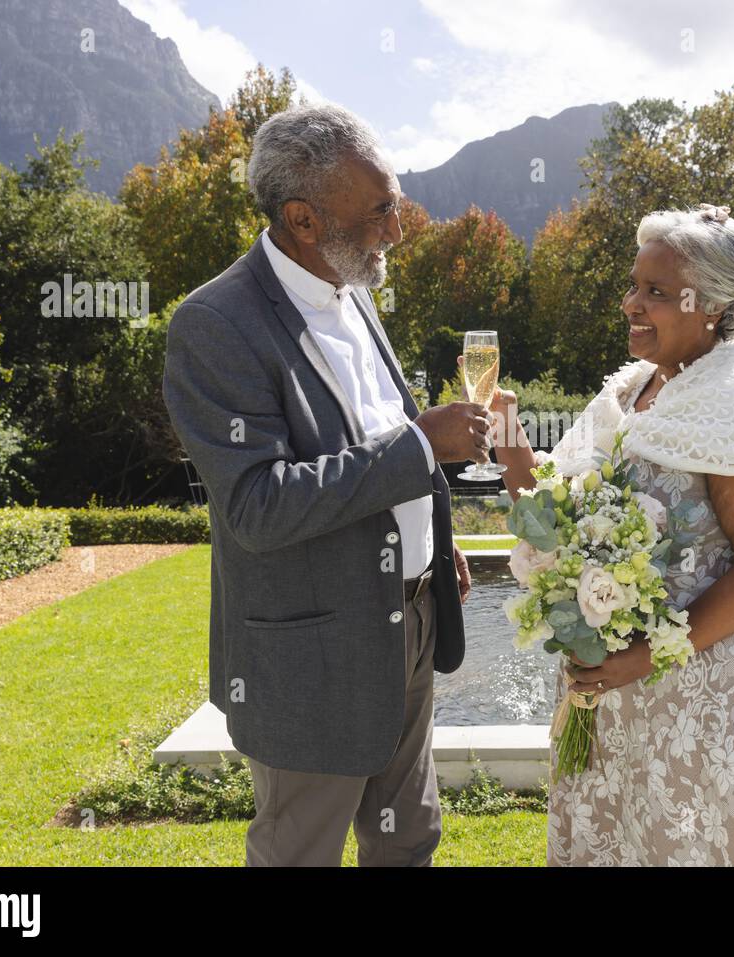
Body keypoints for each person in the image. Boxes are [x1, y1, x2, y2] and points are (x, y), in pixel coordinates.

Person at [162, 103, 490, 866]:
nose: (398, 231)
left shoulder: (355, 290)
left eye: (396, 204)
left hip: (408, 622)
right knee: (300, 853)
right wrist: (420, 445)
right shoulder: (215, 323)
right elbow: (258, 504)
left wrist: (432, 545)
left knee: (407, 839)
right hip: (309, 658)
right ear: (303, 219)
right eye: (380, 211)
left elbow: (372, 431)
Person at [491, 204, 734, 866]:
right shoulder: (630, 390)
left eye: (655, 292)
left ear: (712, 304)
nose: (632, 302)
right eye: (634, 285)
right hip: (617, 704)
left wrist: (644, 658)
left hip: (708, 705)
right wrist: (509, 433)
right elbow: (557, 508)